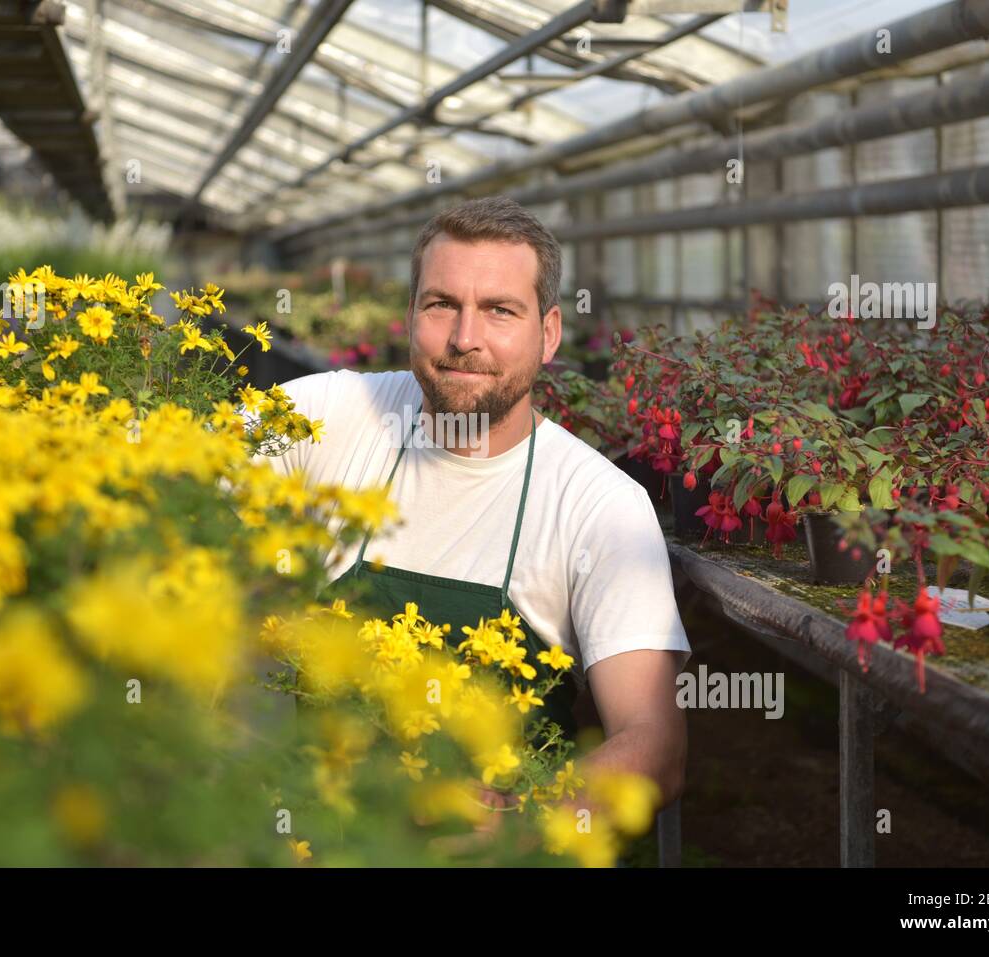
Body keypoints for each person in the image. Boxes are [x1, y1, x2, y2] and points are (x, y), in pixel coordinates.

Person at [257, 195, 690, 812]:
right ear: (410, 315)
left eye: (499, 311)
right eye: (441, 305)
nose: (465, 339)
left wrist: (519, 826)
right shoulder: (330, 415)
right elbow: (179, 476)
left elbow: (654, 747)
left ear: (548, 334)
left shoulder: (597, 504)